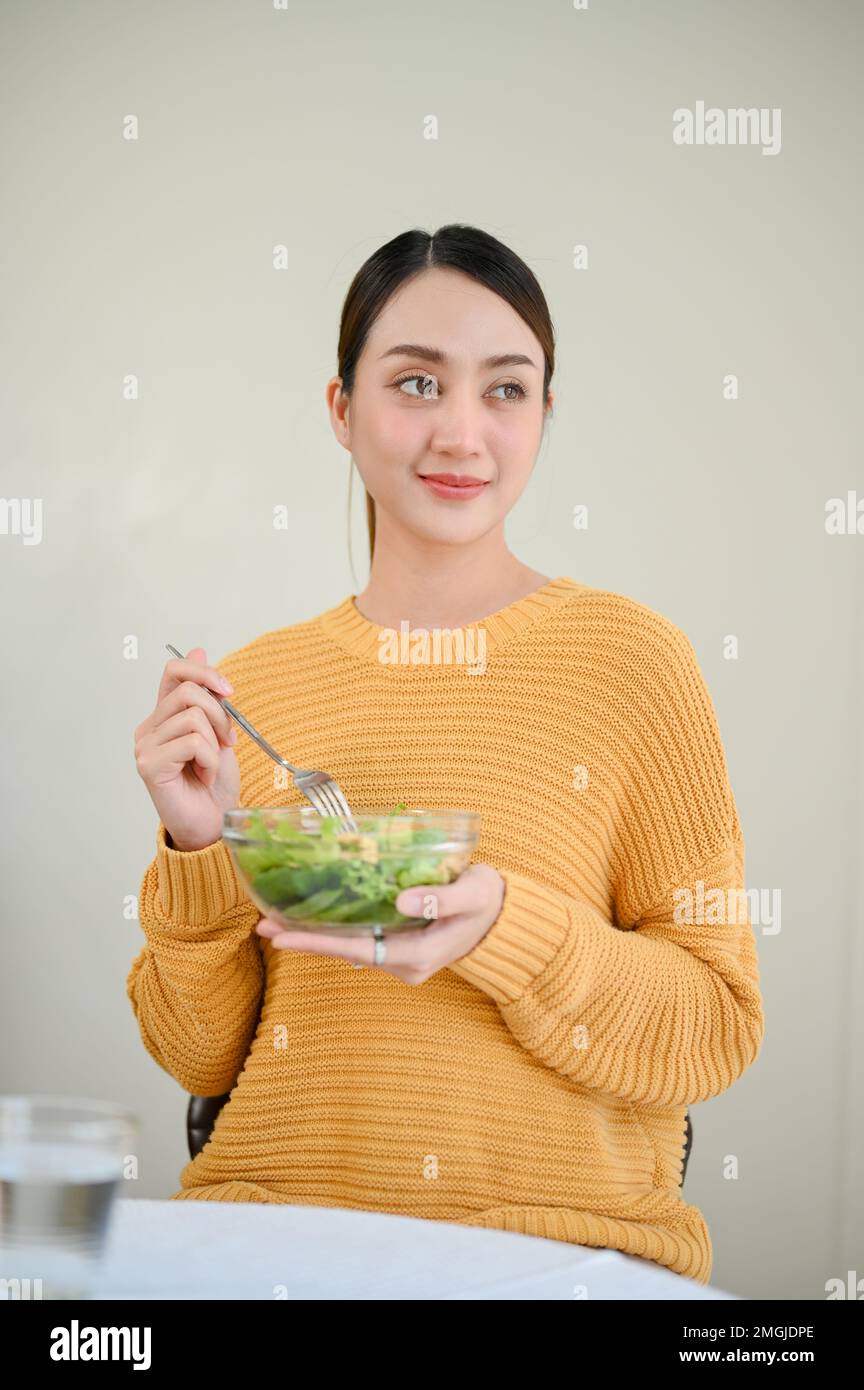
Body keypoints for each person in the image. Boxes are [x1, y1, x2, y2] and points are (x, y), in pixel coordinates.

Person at [130, 223, 764, 1287]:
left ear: (546, 416)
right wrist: (198, 848)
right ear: (341, 409)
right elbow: (199, 1057)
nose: (462, 433)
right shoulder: (255, 689)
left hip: (553, 1258)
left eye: (506, 390)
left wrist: (510, 929)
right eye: (416, 383)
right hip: (268, 1243)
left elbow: (714, 1027)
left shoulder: (635, 662)